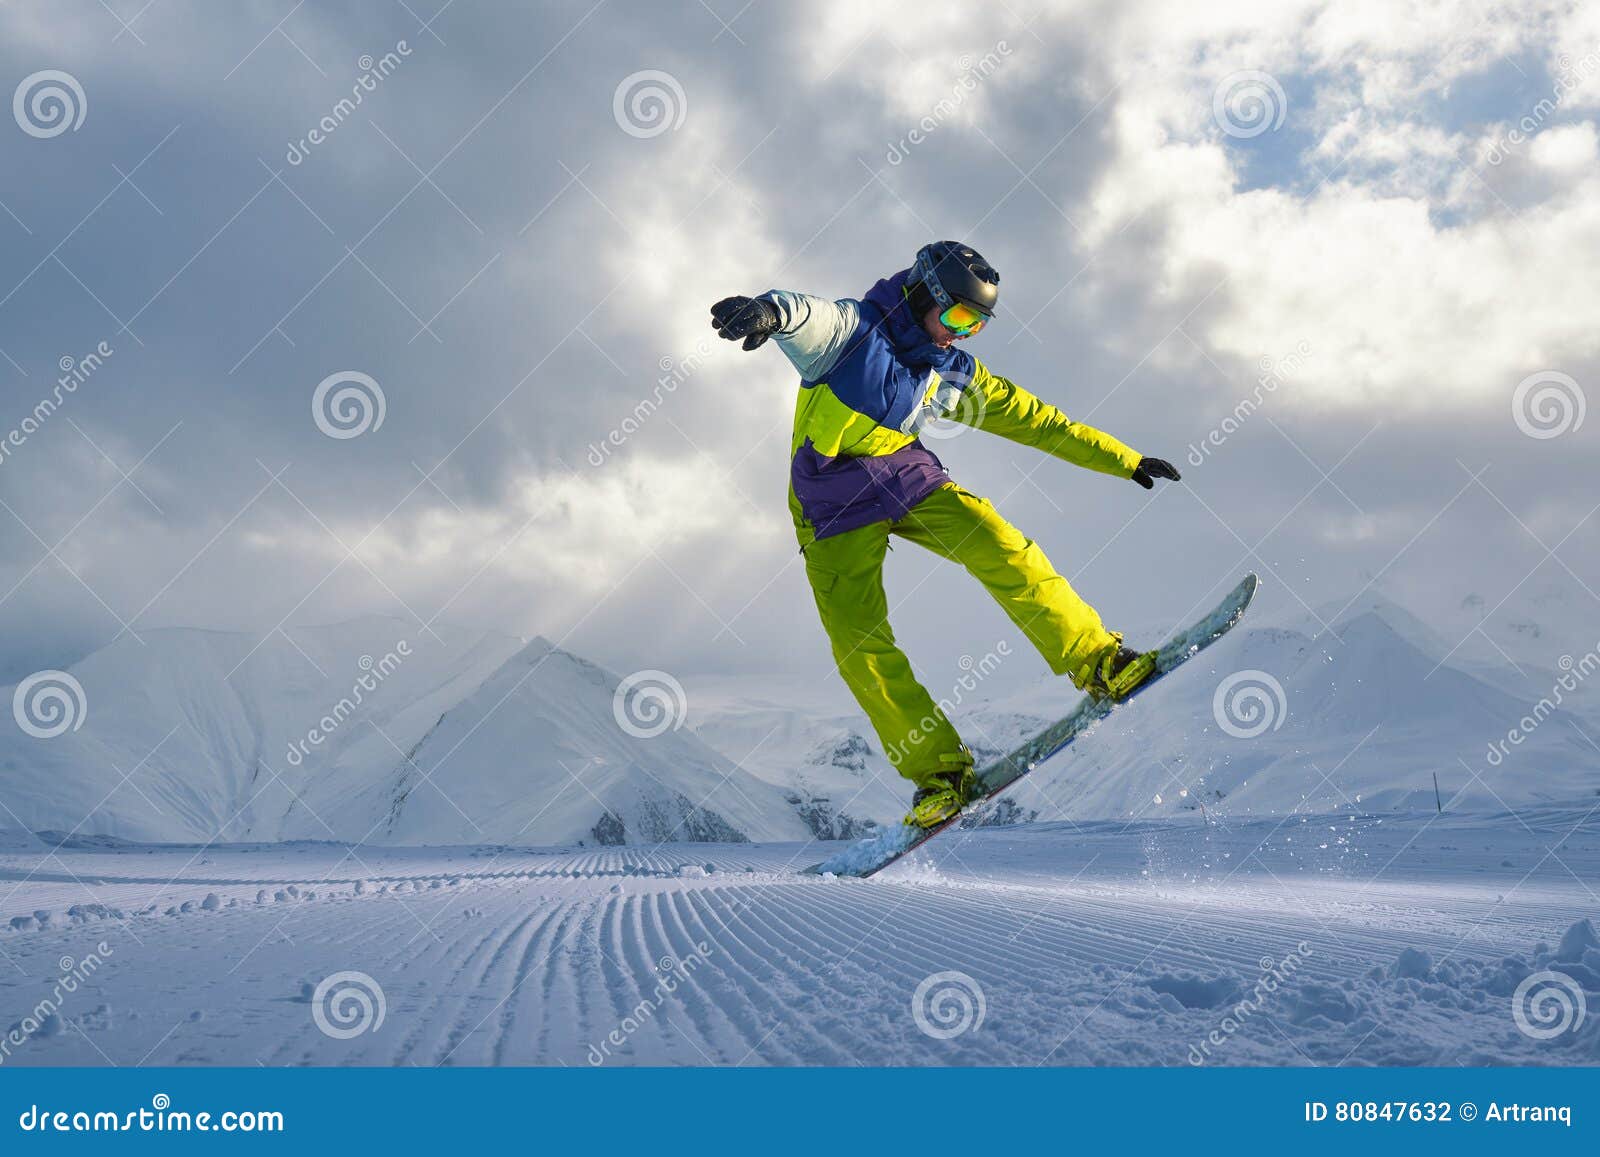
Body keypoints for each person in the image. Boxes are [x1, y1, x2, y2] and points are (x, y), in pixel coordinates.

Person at [709, 241, 1181, 829]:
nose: (963, 335)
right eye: (959, 317)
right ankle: (938, 774)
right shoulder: (851, 336)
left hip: (903, 474)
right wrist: (767, 312)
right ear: (924, 294)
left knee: (999, 543)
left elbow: (1038, 421)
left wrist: (1124, 459)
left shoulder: (948, 370)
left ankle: (1099, 661)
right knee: (859, 641)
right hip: (830, 497)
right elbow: (805, 314)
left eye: (977, 325)